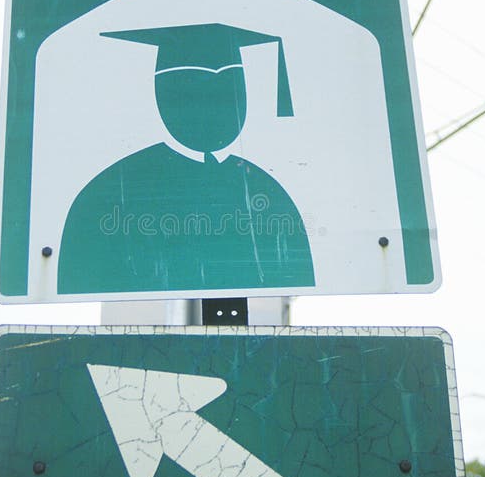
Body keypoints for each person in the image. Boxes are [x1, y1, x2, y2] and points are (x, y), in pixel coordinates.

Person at [57, 22, 314, 293]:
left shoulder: (268, 192)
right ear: (162, 95)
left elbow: (293, 277)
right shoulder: (109, 192)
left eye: (229, 91)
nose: (213, 110)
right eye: (195, 92)